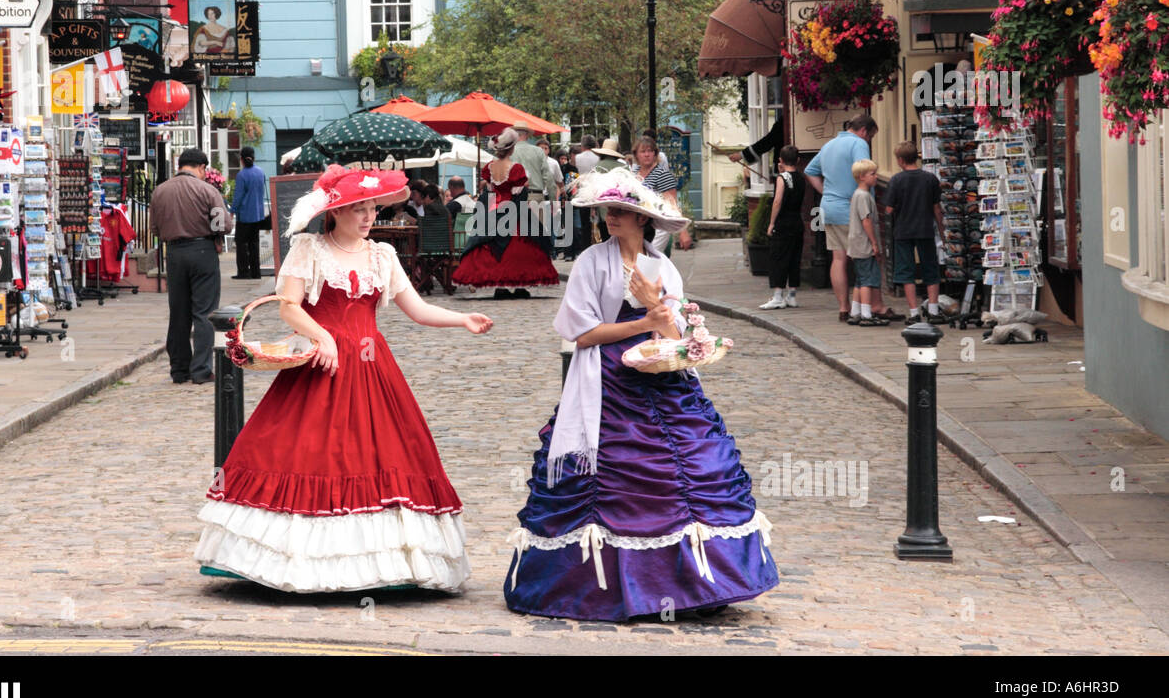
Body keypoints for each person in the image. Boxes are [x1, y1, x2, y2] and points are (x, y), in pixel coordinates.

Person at [194, 164, 494, 592]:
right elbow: (288, 306)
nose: (369, 216)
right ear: (335, 212)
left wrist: (461, 318)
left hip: (373, 369)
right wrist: (323, 336)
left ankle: (386, 565)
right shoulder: (309, 249)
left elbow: (417, 309)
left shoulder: (382, 255)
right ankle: (297, 562)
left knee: (386, 452)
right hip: (323, 366)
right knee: (311, 453)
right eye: (359, 209)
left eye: (373, 208)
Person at [503, 167, 778, 621]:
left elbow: (675, 330)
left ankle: (693, 585)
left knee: (690, 464)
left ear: (643, 219)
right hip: (607, 381)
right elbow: (583, 333)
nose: (612, 217)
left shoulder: (662, 265)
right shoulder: (592, 262)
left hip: (661, 376)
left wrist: (655, 304)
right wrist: (642, 322)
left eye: (623, 212)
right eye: (609, 210)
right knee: (609, 476)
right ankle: (601, 589)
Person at [151, 148, 232, 384]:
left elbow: (154, 228)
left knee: (178, 312)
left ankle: (179, 369)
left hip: (174, 253)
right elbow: (221, 224)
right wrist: (215, 234)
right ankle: (201, 370)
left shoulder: (160, 191)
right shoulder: (207, 190)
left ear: (180, 165)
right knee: (204, 312)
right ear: (201, 168)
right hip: (202, 252)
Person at [804, 114, 893, 322]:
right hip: (850, 208)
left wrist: (825, 191)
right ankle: (876, 306)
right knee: (866, 257)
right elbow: (864, 174)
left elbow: (810, 170)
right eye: (870, 137)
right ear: (864, 131)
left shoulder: (829, 145)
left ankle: (844, 308)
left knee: (838, 258)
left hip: (828, 207)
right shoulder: (858, 144)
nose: (868, 141)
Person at [452, 128, 559, 299]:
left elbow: (489, 192)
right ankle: (518, 285)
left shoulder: (489, 168)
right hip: (514, 211)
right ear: (511, 149)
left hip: (494, 211)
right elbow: (520, 193)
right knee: (522, 246)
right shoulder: (516, 169)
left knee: (490, 245)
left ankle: (499, 285)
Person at [886, 141, 946, 325]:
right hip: (925, 229)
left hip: (903, 230)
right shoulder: (930, 179)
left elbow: (888, 209)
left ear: (901, 160)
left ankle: (913, 313)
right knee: (931, 268)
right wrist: (942, 231)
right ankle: (934, 310)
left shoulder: (896, 180)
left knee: (906, 271)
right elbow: (937, 208)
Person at [760, 146, 806, 310]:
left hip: (783, 223)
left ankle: (778, 296)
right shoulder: (801, 178)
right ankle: (792, 295)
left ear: (780, 160)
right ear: (798, 160)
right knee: (794, 258)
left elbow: (778, 201)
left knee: (778, 258)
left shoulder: (782, 178)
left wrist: (771, 223)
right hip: (797, 222)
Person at [632, 135, 693, 253]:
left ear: (655, 154)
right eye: (643, 151)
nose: (647, 154)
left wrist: (683, 232)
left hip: (658, 226)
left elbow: (673, 204)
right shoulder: (634, 173)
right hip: (639, 226)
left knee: (648, 260)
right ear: (636, 155)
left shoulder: (662, 174)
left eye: (650, 151)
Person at [847, 159, 888, 326]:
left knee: (860, 279)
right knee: (868, 280)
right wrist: (874, 243)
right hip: (864, 244)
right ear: (862, 177)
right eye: (873, 174)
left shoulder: (857, 194)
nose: (876, 176)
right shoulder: (864, 196)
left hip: (856, 244)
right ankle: (866, 314)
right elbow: (866, 221)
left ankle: (855, 311)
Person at [230, 146, 268, 280]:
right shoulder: (260, 172)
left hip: (245, 215)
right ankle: (256, 272)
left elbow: (238, 196)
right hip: (258, 214)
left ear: (241, 159)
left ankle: (244, 272)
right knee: (254, 244)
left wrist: (232, 211)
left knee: (241, 244)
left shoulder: (241, 175)